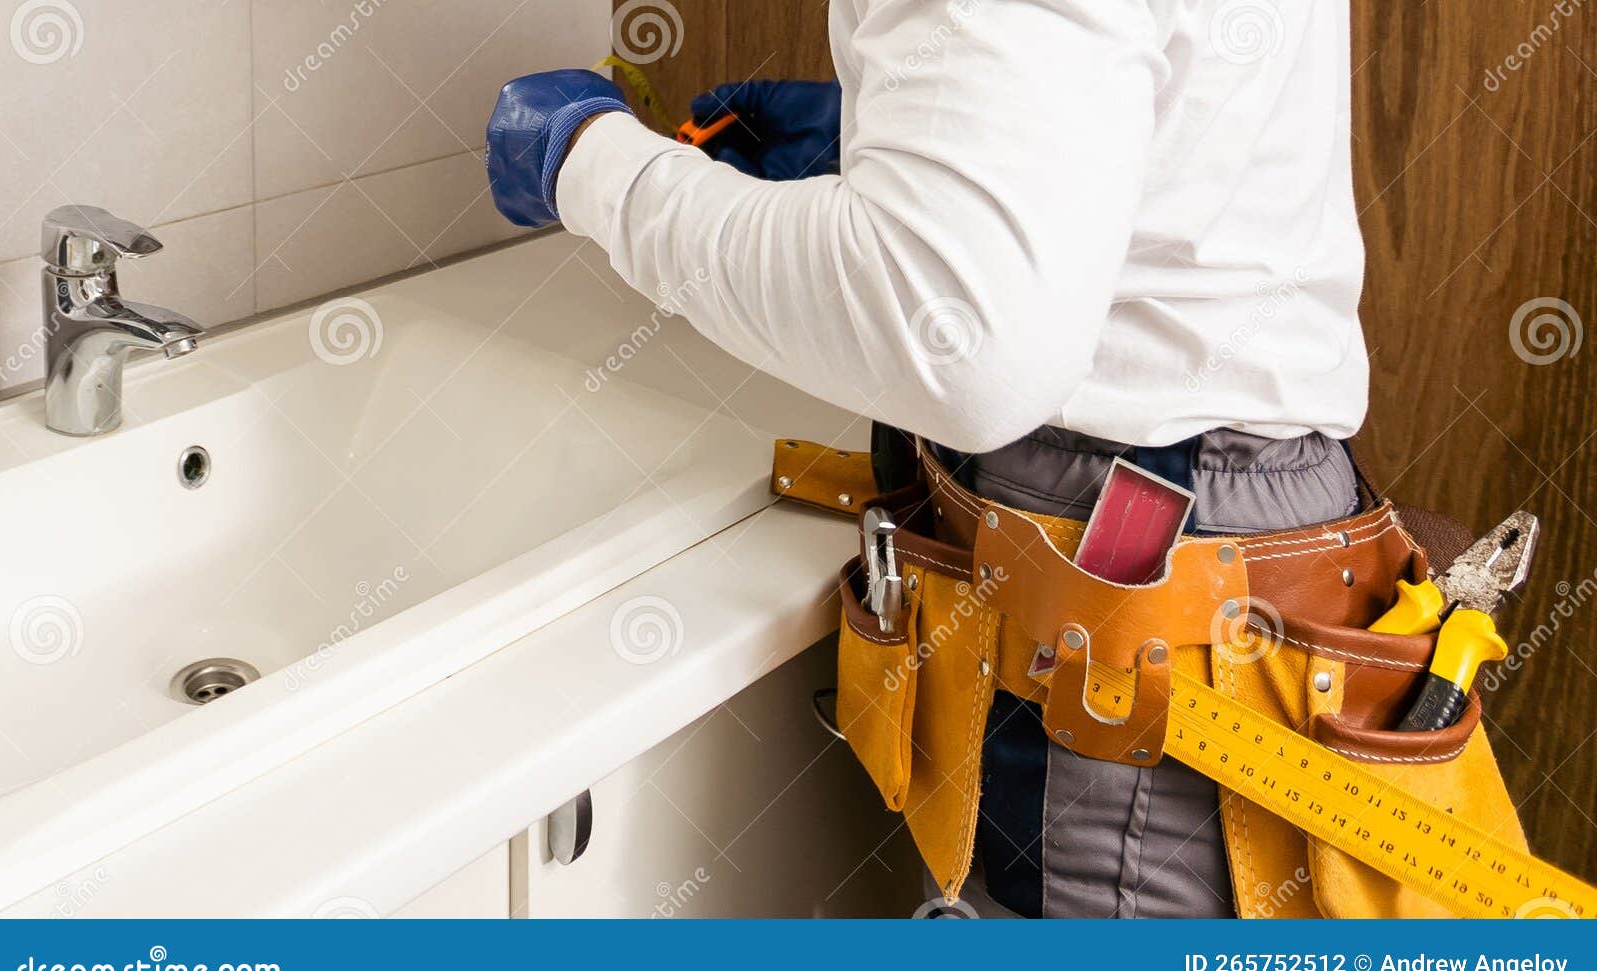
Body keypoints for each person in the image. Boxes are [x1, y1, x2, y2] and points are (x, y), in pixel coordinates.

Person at [485, 0, 1367, 918]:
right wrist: (927, 145)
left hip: (1122, 567)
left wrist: (589, 164)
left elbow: (965, 352)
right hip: (1197, 526)